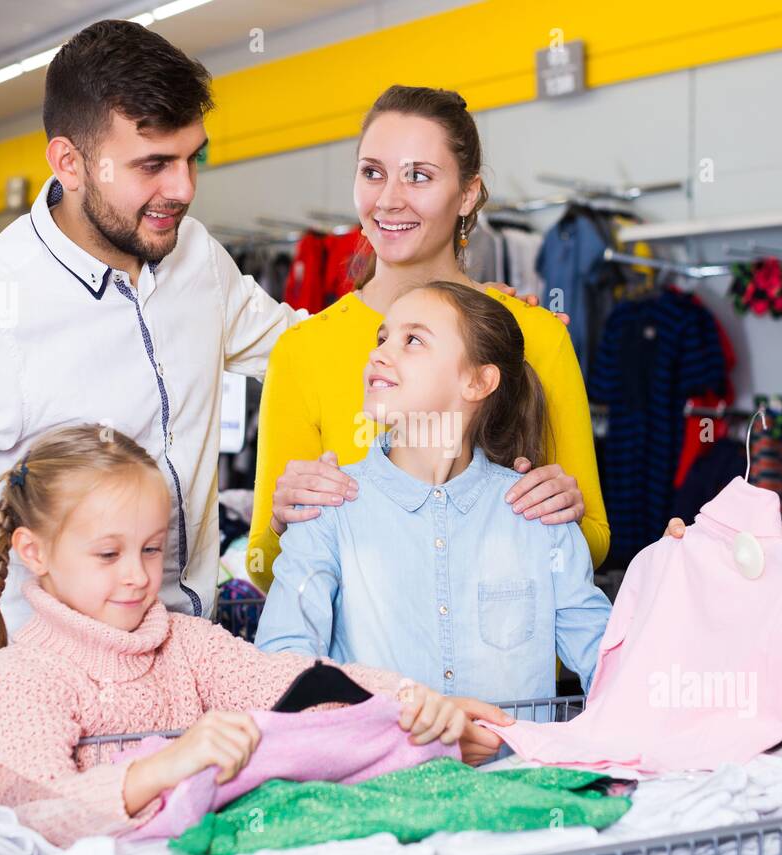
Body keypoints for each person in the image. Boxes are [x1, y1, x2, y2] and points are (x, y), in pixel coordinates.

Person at [0, 20, 308, 811]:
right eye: (152, 164)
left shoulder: (197, 257)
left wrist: (454, 316)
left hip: (193, 676)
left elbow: (303, 350)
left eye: (190, 157)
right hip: (60, 707)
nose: (183, 188)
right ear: (67, 162)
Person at [0, 424, 501, 848]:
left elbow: (290, 684)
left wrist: (413, 702)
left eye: (152, 549)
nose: (137, 575)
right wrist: (163, 768)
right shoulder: (21, 676)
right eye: (109, 554)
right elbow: (32, 813)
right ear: (34, 552)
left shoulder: (187, 643)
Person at [247, 85, 611, 592]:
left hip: (506, 664)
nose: (389, 198)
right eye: (373, 172)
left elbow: (594, 542)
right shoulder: (303, 349)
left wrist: (558, 512)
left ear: (467, 194)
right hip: (363, 672)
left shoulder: (534, 333)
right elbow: (264, 568)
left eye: (418, 175)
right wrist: (284, 523)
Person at [255, 281, 614, 702]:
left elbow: (611, 664)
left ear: (479, 383)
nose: (378, 353)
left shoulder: (538, 516)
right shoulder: (328, 510)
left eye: (413, 340)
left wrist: (673, 568)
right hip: (380, 768)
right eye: (382, 338)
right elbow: (281, 667)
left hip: (508, 768)